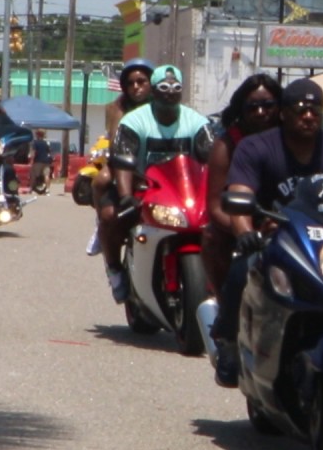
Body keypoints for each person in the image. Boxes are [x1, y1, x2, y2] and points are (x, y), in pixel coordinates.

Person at [210, 77, 323, 387]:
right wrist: (245, 233)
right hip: (271, 239)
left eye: (315, 110)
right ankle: (226, 341)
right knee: (242, 269)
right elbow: (239, 198)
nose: (308, 116)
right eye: (300, 109)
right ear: (284, 113)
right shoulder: (257, 148)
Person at [103, 64, 214, 304]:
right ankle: (115, 271)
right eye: (164, 87)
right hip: (141, 188)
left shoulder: (196, 121)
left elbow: (212, 156)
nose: (170, 92)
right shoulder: (134, 121)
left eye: (176, 87)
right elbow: (123, 162)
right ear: (154, 90)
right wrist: (125, 196)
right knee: (112, 216)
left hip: (184, 193)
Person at [201, 73, 282, 297]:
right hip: (242, 223)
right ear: (241, 109)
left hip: (289, 222)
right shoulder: (226, 145)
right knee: (211, 238)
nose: (260, 112)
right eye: (252, 106)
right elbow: (216, 207)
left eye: (268, 105)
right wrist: (248, 233)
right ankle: (224, 307)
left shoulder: (291, 139)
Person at [88, 58, 153, 257]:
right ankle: (101, 227)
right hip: (126, 160)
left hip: (157, 163)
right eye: (130, 83)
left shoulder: (162, 104)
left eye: (141, 81)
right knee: (102, 180)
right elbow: (117, 140)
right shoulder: (117, 107)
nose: (136, 87)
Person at [28, 129, 53, 194]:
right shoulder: (46, 143)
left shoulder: (35, 143)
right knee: (46, 175)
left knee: (33, 175)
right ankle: (48, 189)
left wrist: (31, 160)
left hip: (38, 161)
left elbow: (33, 153)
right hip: (46, 162)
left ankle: (31, 189)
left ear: (37, 135)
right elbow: (49, 152)